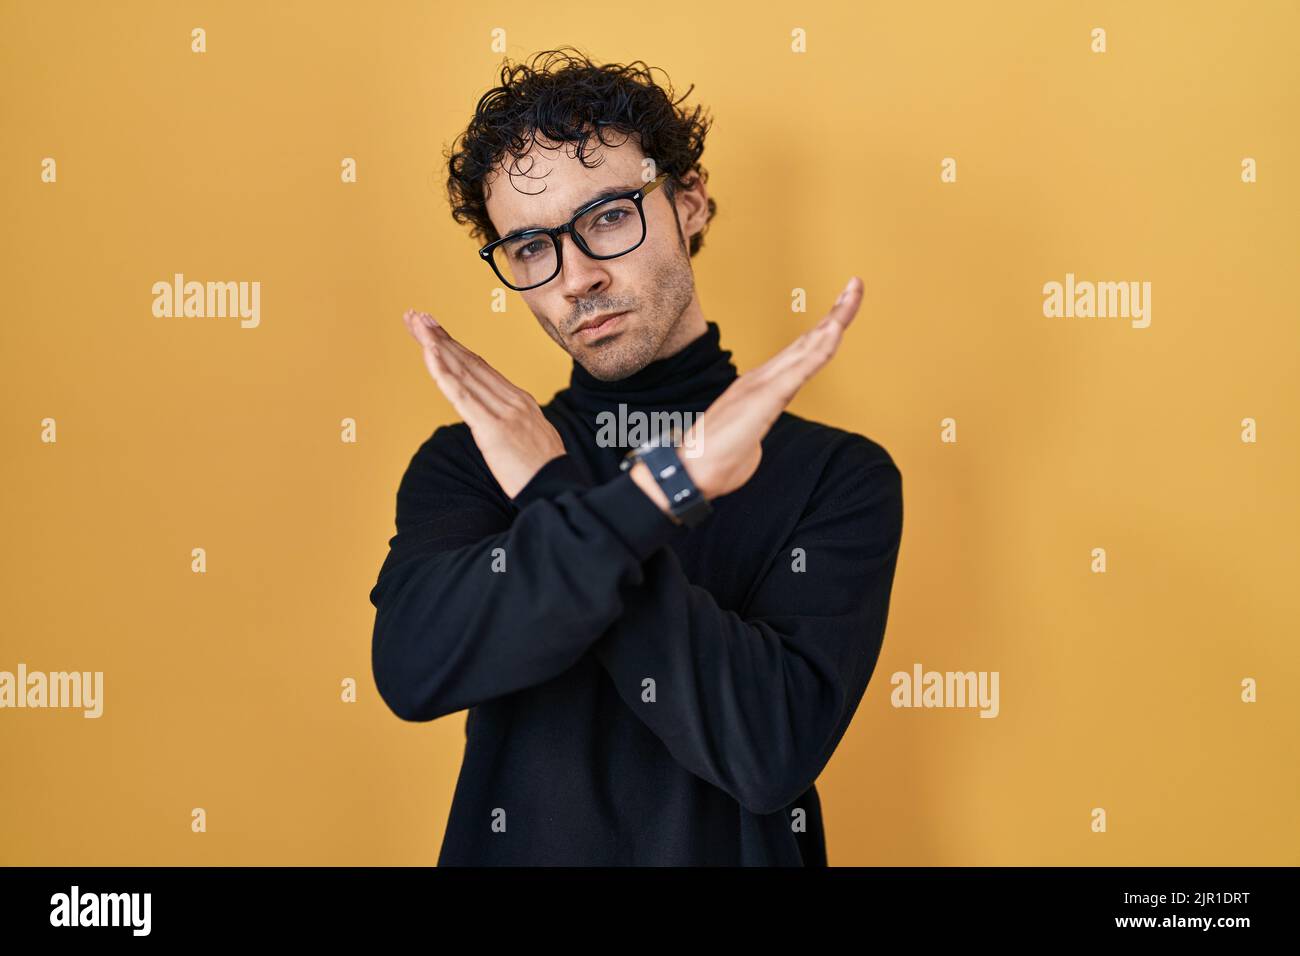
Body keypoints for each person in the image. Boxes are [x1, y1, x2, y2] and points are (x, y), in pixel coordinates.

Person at [369, 47, 904, 865]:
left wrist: (555, 492)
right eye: (530, 248)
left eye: (610, 216)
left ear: (688, 202)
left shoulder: (836, 477)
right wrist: (660, 495)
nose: (575, 277)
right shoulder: (473, 461)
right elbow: (413, 673)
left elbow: (767, 752)